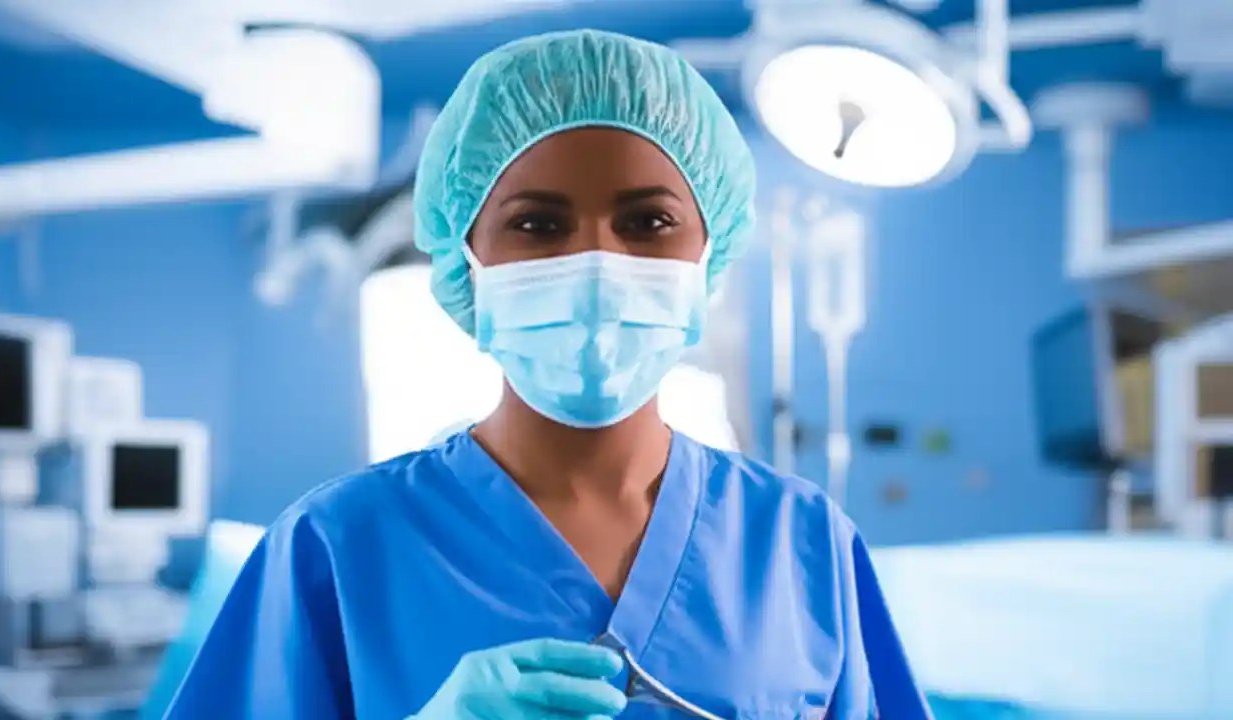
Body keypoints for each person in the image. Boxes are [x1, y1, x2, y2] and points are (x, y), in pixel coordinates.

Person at [165, 29, 930, 720]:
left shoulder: (800, 544)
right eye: (538, 224)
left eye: (648, 222)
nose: (596, 262)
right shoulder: (334, 549)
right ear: (467, 255)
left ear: (710, 252)